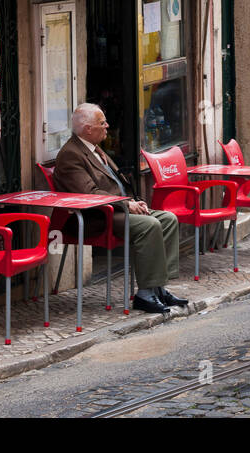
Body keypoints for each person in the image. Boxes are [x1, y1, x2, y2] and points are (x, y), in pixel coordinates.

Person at [53, 103, 185, 314]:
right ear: (88, 129)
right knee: (150, 225)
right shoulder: (71, 155)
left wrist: (134, 201)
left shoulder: (95, 149)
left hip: (117, 210)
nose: (107, 126)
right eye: (102, 123)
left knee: (168, 219)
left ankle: (158, 287)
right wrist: (126, 204)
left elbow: (116, 184)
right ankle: (144, 294)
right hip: (96, 217)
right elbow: (90, 194)